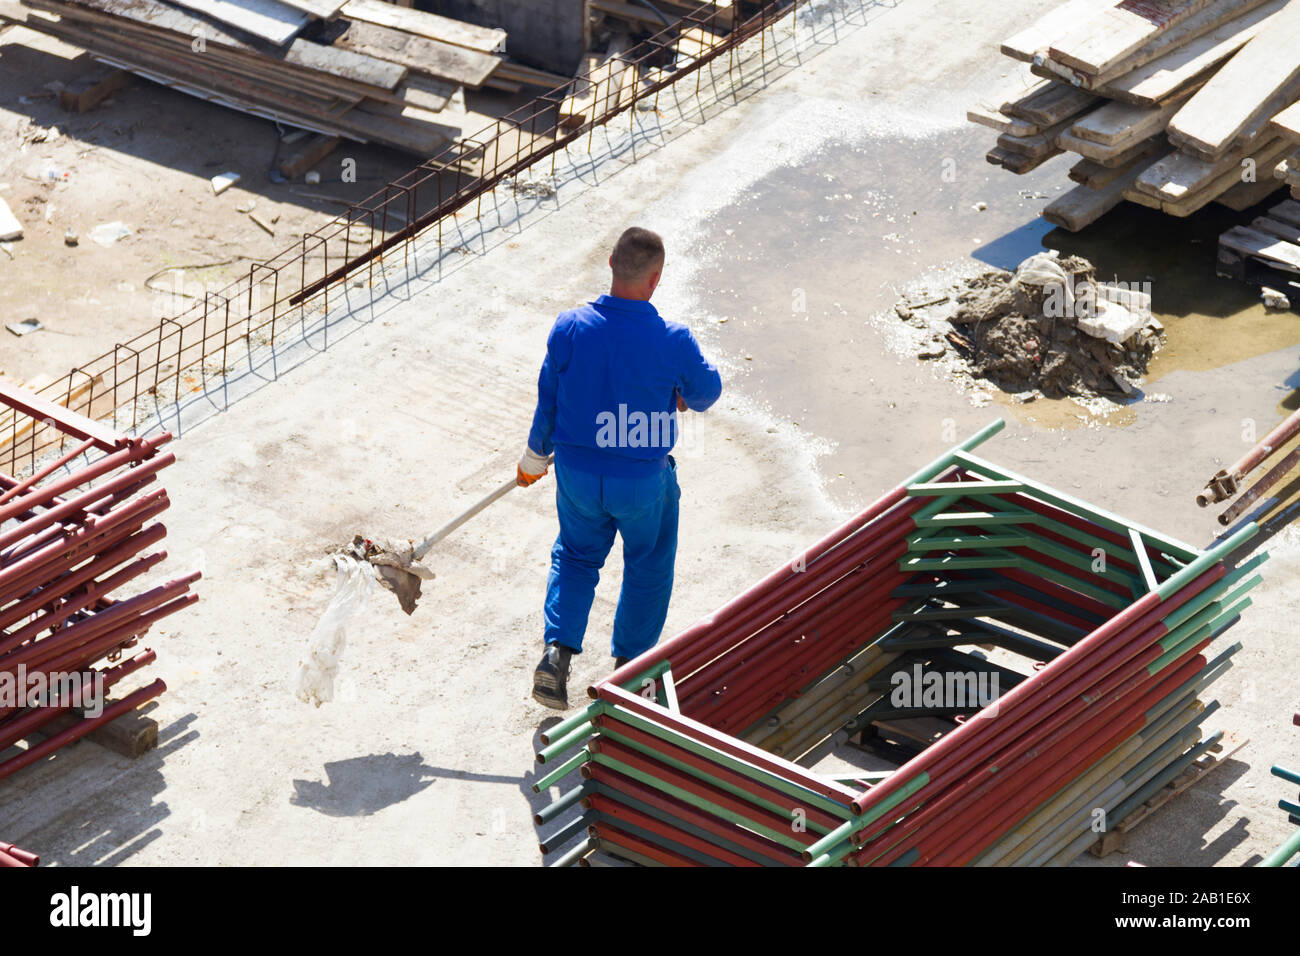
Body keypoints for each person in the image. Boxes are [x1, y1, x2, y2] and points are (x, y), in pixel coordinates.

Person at [517, 226, 723, 709]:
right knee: (648, 563)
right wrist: (678, 393)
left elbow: (549, 397)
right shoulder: (672, 339)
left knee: (575, 555)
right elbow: (706, 392)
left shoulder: (570, 326)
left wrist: (533, 457)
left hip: (578, 474)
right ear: (655, 281)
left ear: (610, 263)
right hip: (641, 479)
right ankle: (629, 674)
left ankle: (556, 656)